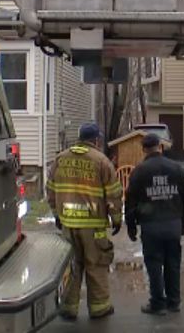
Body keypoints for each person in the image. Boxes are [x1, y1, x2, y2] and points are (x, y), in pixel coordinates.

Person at [46, 123, 123, 321]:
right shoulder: (101, 161)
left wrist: (56, 214)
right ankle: (99, 308)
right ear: (96, 140)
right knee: (96, 265)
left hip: (68, 225)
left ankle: (69, 308)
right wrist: (116, 219)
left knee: (72, 266)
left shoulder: (60, 159)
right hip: (93, 227)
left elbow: (51, 189)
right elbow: (113, 194)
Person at [125, 134, 184, 315]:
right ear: (160, 147)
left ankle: (157, 303)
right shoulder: (176, 169)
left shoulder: (139, 172)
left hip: (150, 225)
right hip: (173, 223)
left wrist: (130, 226)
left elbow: (130, 202)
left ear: (144, 149)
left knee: (154, 264)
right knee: (173, 262)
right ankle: (173, 301)